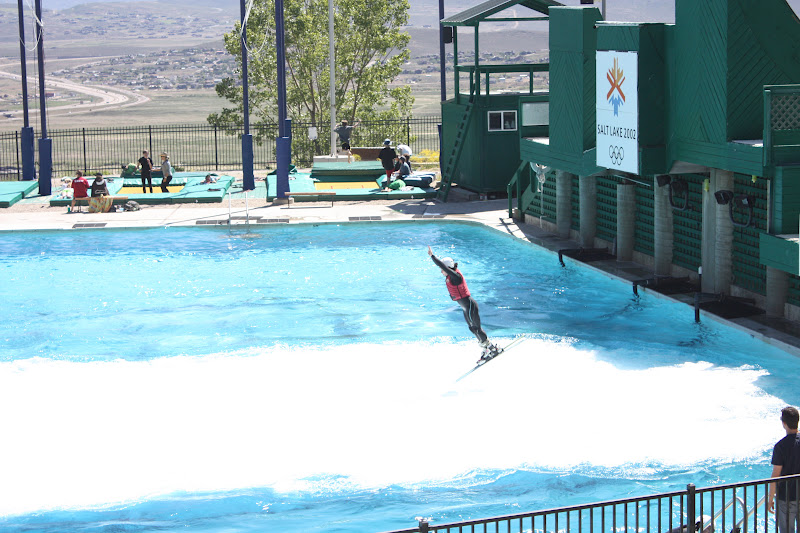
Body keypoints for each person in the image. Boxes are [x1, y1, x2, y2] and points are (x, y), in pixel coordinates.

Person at [427, 245, 498, 362]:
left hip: (469, 306)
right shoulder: (451, 276)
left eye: (443, 269)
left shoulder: (456, 276)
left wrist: (432, 256)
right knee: (472, 329)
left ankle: (492, 348)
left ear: (447, 268)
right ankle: (486, 349)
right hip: (465, 307)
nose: (441, 271)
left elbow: (441, 265)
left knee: (477, 328)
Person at [769, 406, 800, 533]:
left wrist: (770, 498)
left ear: (784, 423)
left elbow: (775, 474)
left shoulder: (780, 446)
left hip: (786, 497)